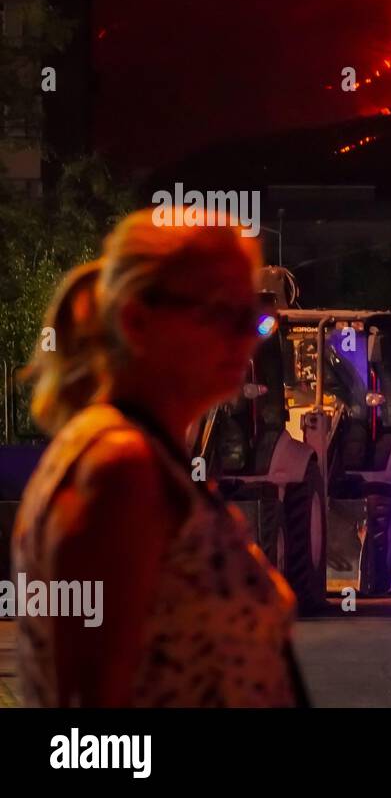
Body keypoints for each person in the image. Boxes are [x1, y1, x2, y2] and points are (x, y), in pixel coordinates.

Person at [11, 209, 302, 707]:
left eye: (252, 315)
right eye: (220, 313)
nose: (246, 338)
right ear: (136, 320)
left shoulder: (149, 459)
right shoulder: (120, 472)